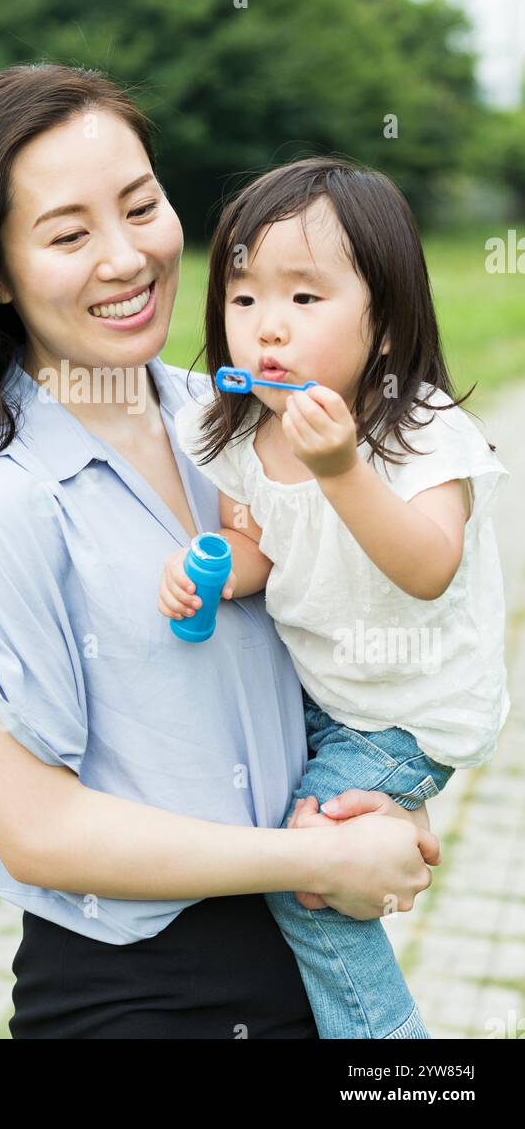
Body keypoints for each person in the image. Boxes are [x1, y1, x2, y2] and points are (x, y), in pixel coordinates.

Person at [0, 63, 441, 1039]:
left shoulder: (234, 427)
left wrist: (378, 799)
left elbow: (328, 652)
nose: (125, 257)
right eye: (67, 234)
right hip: (137, 997)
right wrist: (312, 861)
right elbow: (38, 828)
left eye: (140, 207)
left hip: (309, 963)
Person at [162, 157, 509, 1038]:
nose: (267, 327)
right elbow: (257, 548)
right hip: (323, 701)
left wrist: (341, 468)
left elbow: (427, 565)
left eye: (305, 300)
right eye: (244, 299)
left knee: (310, 878)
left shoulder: (426, 434)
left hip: (406, 711)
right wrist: (210, 567)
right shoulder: (244, 436)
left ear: (384, 326)